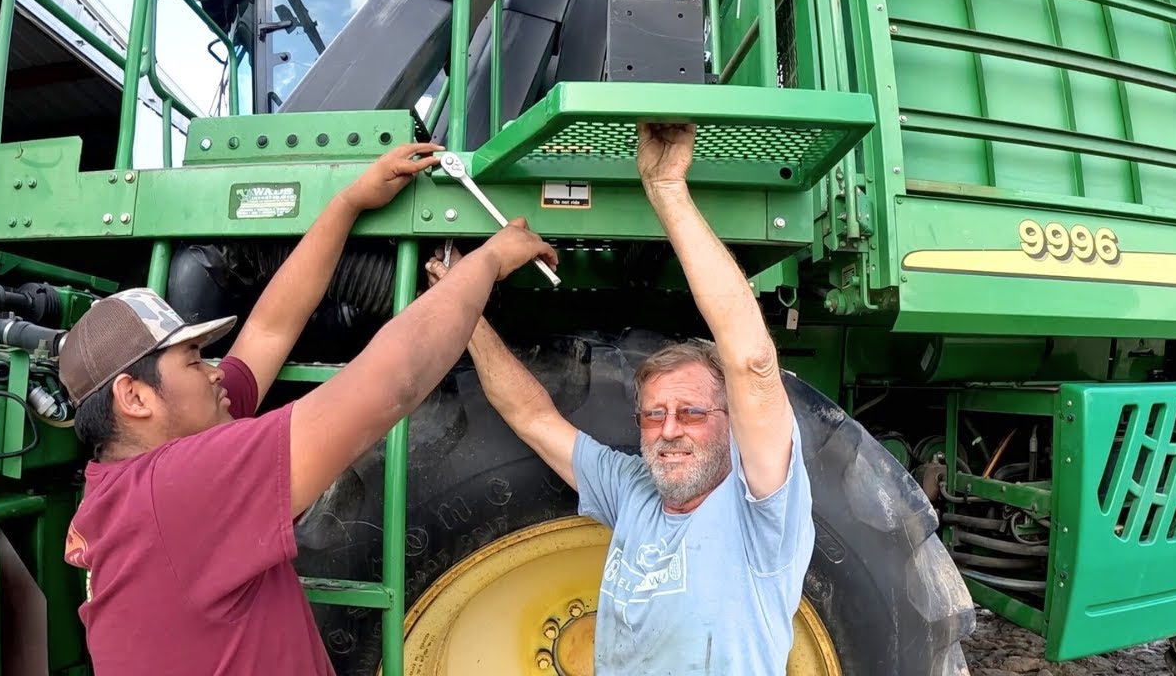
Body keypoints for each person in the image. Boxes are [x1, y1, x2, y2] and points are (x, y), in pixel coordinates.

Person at [57, 140, 558, 676]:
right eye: (193, 359)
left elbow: (270, 329)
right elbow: (394, 381)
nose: (214, 370)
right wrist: (488, 261)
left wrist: (347, 204)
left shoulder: (135, 483)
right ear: (134, 397)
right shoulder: (178, 490)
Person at [424, 123, 814, 674]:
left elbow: (751, 362)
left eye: (691, 412)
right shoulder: (633, 489)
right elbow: (531, 416)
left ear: (730, 421)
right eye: (654, 415)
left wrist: (666, 189)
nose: (670, 429)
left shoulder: (763, 508)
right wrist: (460, 307)